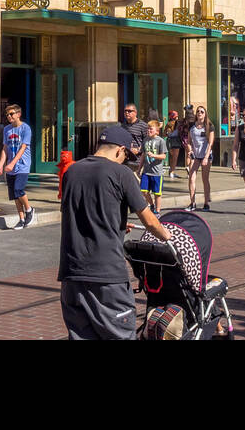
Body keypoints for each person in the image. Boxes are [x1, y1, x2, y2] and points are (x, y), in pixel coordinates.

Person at [58, 127, 170, 340]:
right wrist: (166, 236)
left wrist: (117, 223)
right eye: (127, 156)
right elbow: (149, 220)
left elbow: (80, 212)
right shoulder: (121, 173)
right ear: (120, 150)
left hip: (72, 273)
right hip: (107, 275)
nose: (125, 161)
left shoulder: (71, 171)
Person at [0, 103, 34, 228]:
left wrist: (12, 163)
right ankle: (22, 219)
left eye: (11, 114)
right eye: (7, 114)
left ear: (18, 114)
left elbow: (23, 148)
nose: (9, 116)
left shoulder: (25, 129)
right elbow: (5, 148)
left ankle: (29, 210)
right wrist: (1, 165)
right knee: (14, 194)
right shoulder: (7, 129)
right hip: (10, 167)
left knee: (19, 190)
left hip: (22, 165)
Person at [185, 106, 215, 211]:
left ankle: (206, 203)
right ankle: (192, 203)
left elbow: (210, 143)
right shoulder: (192, 126)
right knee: (191, 178)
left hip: (206, 155)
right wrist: (190, 150)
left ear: (205, 113)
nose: (199, 113)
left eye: (202, 111)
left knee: (205, 179)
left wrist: (206, 157)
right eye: (198, 111)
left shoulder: (209, 126)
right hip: (195, 156)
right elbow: (188, 141)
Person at [140, 120, 167, 212]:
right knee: (144, 191)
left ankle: (157, 211)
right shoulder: (145, 140)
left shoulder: (161, 141)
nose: (148, 131)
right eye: (147, 129)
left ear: (157, 131)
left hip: (157, 172)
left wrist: (154, 155)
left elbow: (163, 156)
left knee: (157, 193)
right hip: (146, 171)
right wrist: (139, 168)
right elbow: (143, 155)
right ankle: (151, 204)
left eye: (151, 129)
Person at [119, 103, 149, 176]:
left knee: (136, 183)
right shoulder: (122, 125)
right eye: (125, 111)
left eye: (129, 111)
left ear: (135, 112)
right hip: (125, 161)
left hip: (138, 161)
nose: (127, 113)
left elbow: (148, 142)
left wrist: (138, 150)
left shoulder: (143, 125)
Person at [164, 109, 182, 178]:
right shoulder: (177, 123)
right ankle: (172, 172)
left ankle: (171, 171)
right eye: (176, 116)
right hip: (176, 141)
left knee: (171, 157)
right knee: (175, 157)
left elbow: (164, 134)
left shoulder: (168, 123)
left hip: (169, 141)